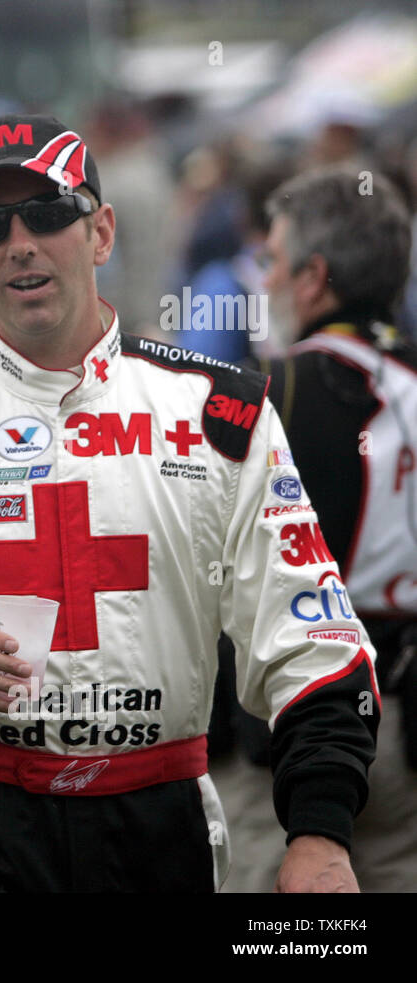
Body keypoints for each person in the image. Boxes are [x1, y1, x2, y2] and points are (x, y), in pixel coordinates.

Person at [0, 114, 378, 892]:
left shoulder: (220, 415)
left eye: (50, 214)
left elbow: (316, 640)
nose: (21, 241)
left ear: (101, 232)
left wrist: (321, 834)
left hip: (159, 827)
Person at [212, 164, 417, 892]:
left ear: (313, 276)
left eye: (271, 260)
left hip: (292, 724)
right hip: (404, 725)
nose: (262, 279)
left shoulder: (268, 393)